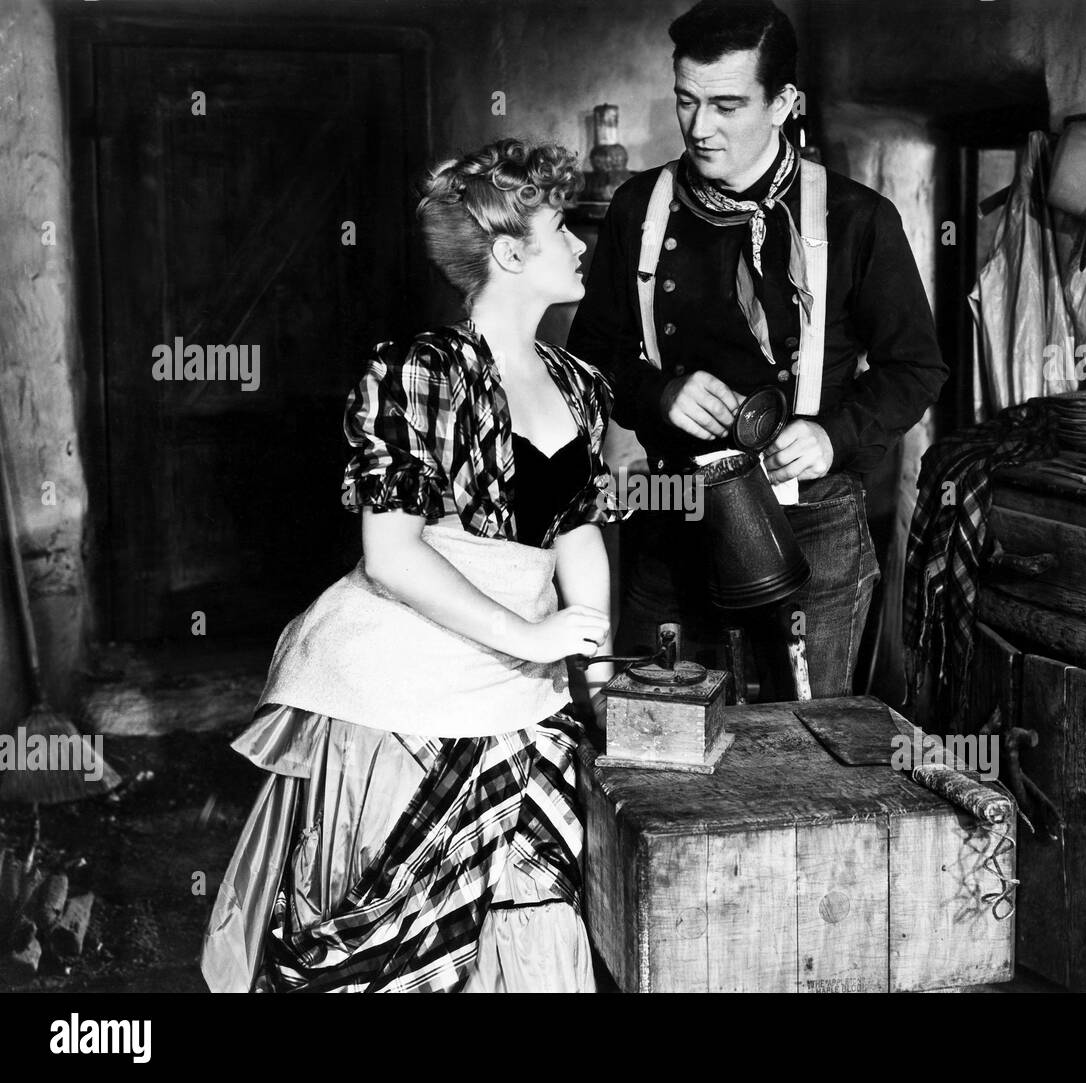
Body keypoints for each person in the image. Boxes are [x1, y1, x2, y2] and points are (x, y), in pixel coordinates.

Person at [201, 138, 616, 993]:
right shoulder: (416, 373)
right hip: (401, 688)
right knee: (396, 945)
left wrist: (598, 671)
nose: (580, 245)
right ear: (509, 254)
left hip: (524, 685)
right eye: (562, 230)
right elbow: (390, 557)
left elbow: (577, 532)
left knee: (535, 905)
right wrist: (532, 635)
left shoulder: (578, 384)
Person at [567, 0, 947, 701]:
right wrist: (658, 394)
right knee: (664, 742)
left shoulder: (855, 219)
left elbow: (917, 368)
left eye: (727, 105)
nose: (700, 128)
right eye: (687, 102)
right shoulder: (636, 210)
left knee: (804, 754)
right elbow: (587, 363)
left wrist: (834, 436)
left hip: (813, 529)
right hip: (672, 515)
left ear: (784, 103)